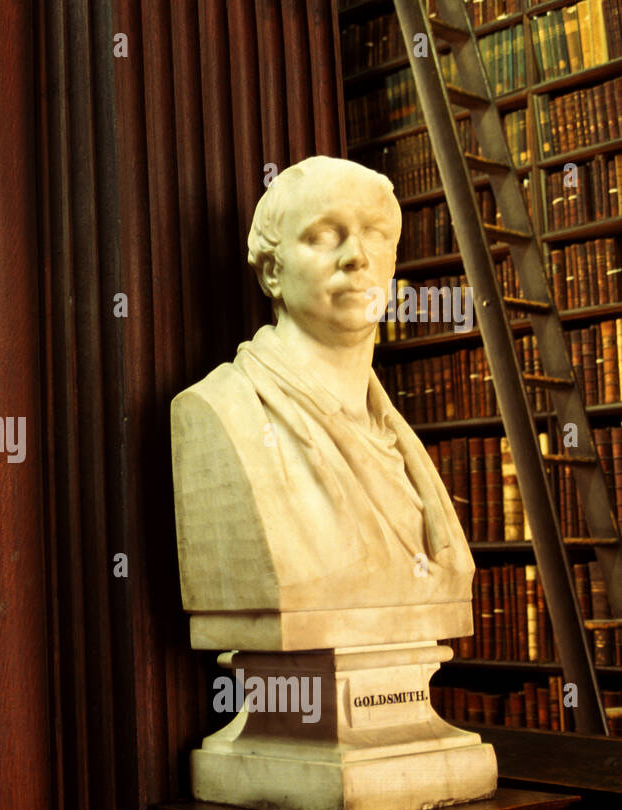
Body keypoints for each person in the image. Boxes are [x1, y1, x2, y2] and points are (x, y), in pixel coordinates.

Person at [170, 156, 473, 648]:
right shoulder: (221, 413)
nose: (357, 256)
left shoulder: (394, 433)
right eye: (324, 235)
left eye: (374, 233)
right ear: (272, 273)